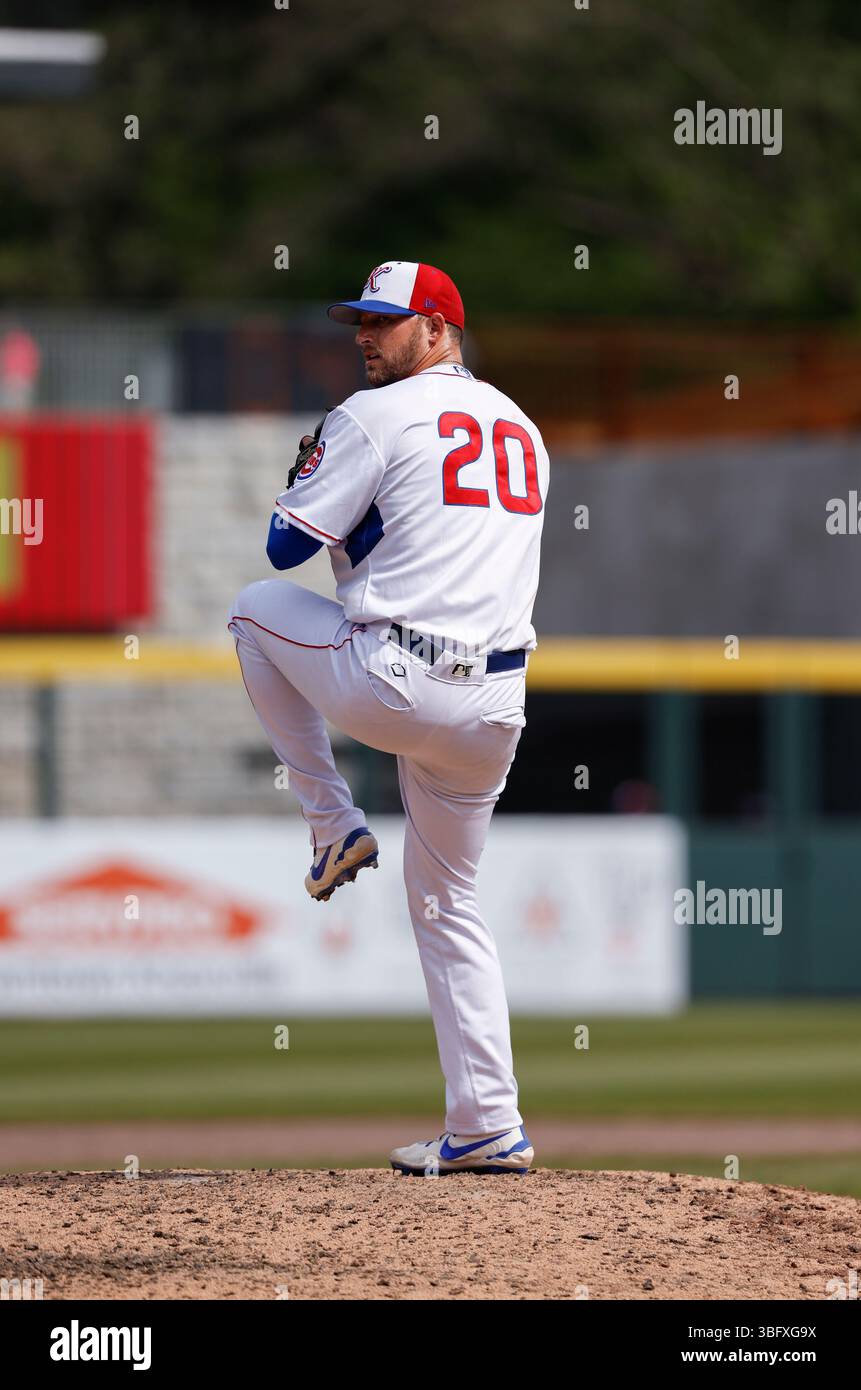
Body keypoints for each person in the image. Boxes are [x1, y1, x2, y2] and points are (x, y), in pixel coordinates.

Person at [229, 261, 549, 1174]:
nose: (365, 336)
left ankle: (333, 827)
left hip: (397, 679)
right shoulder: (523, 426)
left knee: (251, 607)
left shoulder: (369, 416)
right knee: (450, 899)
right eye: (359, 322)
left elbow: (285, 547)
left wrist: (317, 471)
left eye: (386, 321)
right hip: (495, 705)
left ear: (440, 329)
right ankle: (489, 1125)